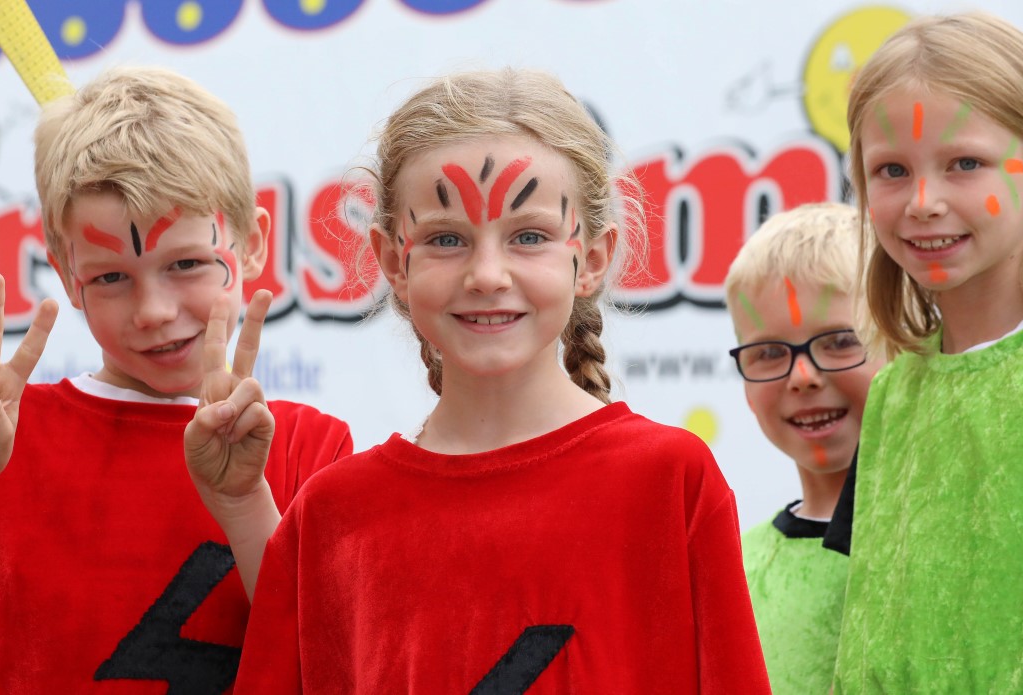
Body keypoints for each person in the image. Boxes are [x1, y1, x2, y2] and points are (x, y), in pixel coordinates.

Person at [229, 67, 769, 693]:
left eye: (529, 236)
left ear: (591, 258)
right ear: (390, 261)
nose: (487, 274)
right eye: (447, 238)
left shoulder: (668, 480)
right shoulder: (332, 517)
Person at [0, 66, 352, 695]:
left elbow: (335, 662)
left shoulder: (308, 448)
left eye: (187, 263)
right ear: (65, 273)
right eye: (111, 277)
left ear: (250, 245)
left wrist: (244, 504)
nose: (154, 311)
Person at [829, 12, 1023, 693]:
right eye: (892, 170)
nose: (923, 202)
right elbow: (869, 634)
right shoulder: (891, 394)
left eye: (965, 163)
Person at [723, 202, 879, 694]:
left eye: (837, 342)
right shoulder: (731, 569)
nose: (803, 376)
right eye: (769, 353)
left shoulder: (947, 537)